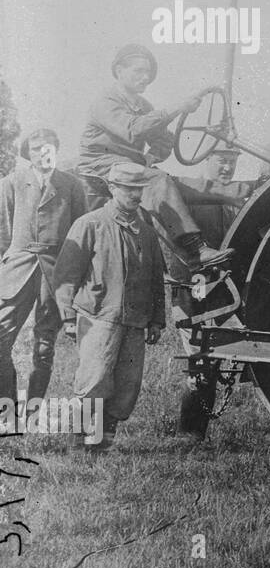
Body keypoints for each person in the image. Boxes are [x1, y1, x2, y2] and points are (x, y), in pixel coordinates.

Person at [76, 43, 232, 271]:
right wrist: (178, 108)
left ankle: (247, 192)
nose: (145, 78)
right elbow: (132, 130)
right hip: (98, 168)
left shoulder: (143, 105)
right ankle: (195, 249)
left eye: (148, 73)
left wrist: (151, 157)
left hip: (130, 168)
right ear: (119, 71)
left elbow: (164, 139)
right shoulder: (105, 102)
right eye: (139, 71)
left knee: (184, 185)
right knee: (158, 180)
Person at [52, 163, 166, 451]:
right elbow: (66, 275)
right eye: (129, 189)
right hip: (98, 316)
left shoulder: (147, 233)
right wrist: (67, 318)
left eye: (139, 189)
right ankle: (78, 446)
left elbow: (156, 280)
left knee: (126, 386)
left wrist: (156, 320)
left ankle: (102, 444)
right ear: (112, 189)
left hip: (135, 321)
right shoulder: (90, 224)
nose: (135, 195)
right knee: (94, 380)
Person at [0, 130, 88, 420]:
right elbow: (2, 231)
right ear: (29, 154)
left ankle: (33, 415)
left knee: (44, 346)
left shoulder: (72, 185)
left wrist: (76, 278)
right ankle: (7, 413)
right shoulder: (11, 183)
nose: (43, 153)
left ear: (56, 149)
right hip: (17, 270)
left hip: (56, 273)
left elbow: (82, 233)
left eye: (48, 148)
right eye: (36, 149)